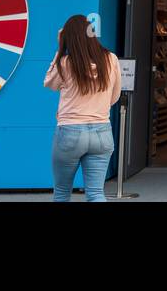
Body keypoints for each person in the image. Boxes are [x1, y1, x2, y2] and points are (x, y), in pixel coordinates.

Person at [44, 13, 122, 202]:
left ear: (68, 38)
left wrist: (60, 48)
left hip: (70, 130)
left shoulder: (65, 62)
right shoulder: (111, 59)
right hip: (102, 131)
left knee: (62, 192)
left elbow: (49, 83)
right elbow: (115, 96)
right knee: (96, 193)